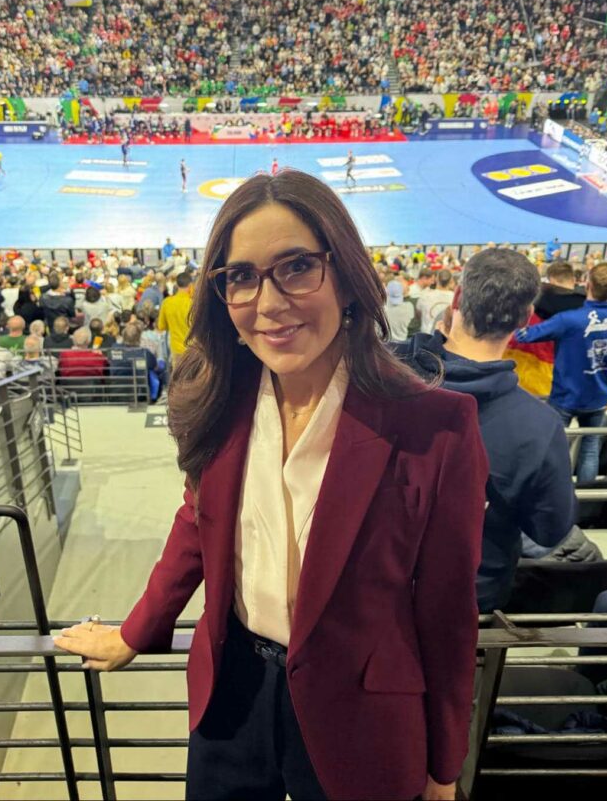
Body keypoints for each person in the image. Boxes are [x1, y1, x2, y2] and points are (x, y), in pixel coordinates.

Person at [56, 169, 488, 801]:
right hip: (232, 698)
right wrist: (135, 630)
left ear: (345, 277)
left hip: (362, 712)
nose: (268, 303)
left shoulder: (437, 428)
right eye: (241, 276)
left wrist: (445, 765)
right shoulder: (218, 404)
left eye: (296, 267)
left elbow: (448, 614)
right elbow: (196, 525)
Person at [395, 248, 576, 613]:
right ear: (525, 317)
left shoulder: (380, 374)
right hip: (464, 603)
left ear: (457, 300)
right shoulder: (537, 427)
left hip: (372, 589)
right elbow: (551, 530)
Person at [515, 262, 607, 483]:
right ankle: (583, 500)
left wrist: (525, 314)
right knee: (590, 447)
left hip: (564, 398)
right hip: (599, 397)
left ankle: (551, 492)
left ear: (587, 284)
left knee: (552, 448)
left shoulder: (568, 320)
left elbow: (524, 336)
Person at [157, 272, 193, 368]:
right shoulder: (193, 304)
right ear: (190, 286)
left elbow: (161, 326)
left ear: (177, 285)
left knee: (178, 380)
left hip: (176, 351)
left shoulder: (167, 303)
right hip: (193, 351)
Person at [417, 269, 455, 334]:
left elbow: (418, 314)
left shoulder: (424, 295)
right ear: (451, 281)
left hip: (427, 335)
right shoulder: (454, 297)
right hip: (446, 336)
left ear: (436, 279)